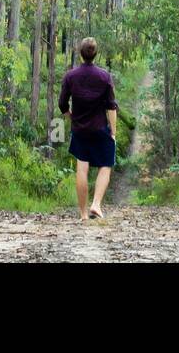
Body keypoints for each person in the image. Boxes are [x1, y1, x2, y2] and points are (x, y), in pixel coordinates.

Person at [58, 37, 118, 220]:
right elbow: (111, 106)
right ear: (95, 53)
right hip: (100, 129)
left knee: (82, 168)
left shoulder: (71, 76)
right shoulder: (104, 76)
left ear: (81, 53)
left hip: (80, 130)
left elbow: (62, 103)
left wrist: (71, 118)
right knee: (106, 165)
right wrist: (113, 132)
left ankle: (83, 214)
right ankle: (96, 204)